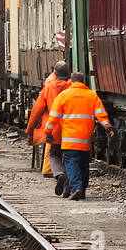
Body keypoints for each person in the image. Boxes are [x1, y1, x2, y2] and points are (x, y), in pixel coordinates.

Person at [44, 71, 112, 200]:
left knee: (71, 163)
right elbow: (101, 115)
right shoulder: (92, 96)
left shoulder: (63, 96)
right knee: (83, 164)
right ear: (83, 82)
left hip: (70, 139)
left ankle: (76, 189)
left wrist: (48, 132)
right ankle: (82, 189)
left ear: (71, 81)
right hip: (85, 139)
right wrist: (108, 128)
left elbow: (53, 118)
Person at [26, 62, 71, 195]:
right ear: (68, 73)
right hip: (71, 129)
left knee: (54, 154)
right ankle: (68, 185)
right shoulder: (73, 88)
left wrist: (30, 130)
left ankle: (58, 174)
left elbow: (36, 111)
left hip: (53, 130)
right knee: (69, 157)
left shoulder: (49, 88)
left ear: (55, 73)